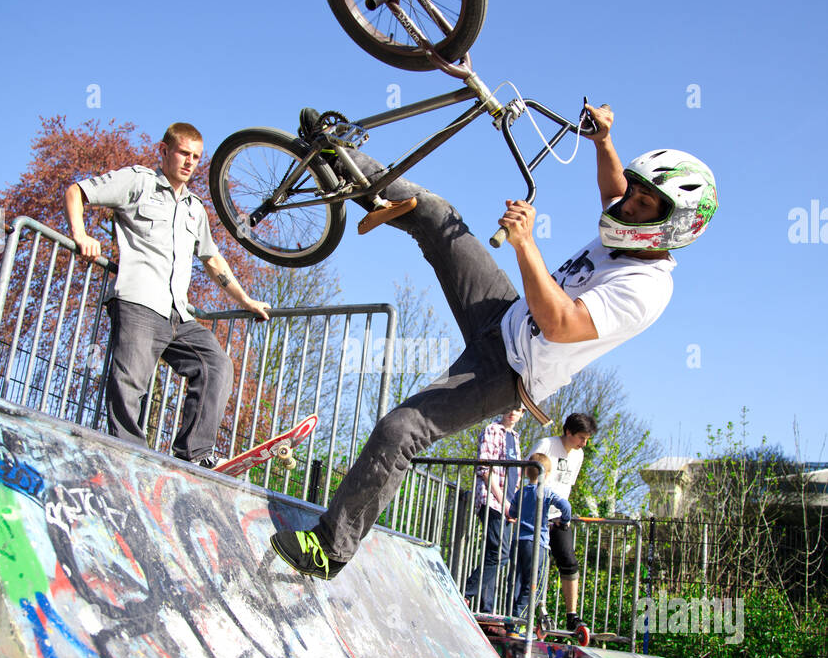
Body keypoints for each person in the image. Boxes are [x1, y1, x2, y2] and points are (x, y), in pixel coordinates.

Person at [271, 103, 717, 578]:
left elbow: (560, 325)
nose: (627, 206)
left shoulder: (645, 287)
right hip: (502, 312)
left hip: (510, 371)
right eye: (636, 194)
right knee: (439, 218)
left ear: (673, 226)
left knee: (400, 431)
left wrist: (526, 245)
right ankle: (337, 157)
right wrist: (603, 140)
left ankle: (329, 550)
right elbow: (615, 190)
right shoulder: (630, 224)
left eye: (643, 204)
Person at [64, 122, 271, 465]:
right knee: (131, 381)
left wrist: (245, 300)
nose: (189, 162)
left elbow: (212, 259)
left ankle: (195, 453)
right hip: (138, 303)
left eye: (196, 157)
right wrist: (81, 234)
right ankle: (130, 455)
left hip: (179, 313)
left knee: (216, 365)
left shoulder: (195, 208)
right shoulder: (138, 182)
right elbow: (77, 191)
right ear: (163, 151)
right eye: (183, 153)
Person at [535, 412, 597, 630]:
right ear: (568, 432)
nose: (584, 443)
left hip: (559, 516)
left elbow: (567, 486)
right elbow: (530, 474)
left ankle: (572, 616)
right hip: (537, 515)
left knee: (568, 561)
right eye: (581, 438)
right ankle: (530, 610)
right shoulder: (547, 445)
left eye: (587, 439)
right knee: (535, 564)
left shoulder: (578, 456)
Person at [463, 405, 524, 613]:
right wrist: (504, 502)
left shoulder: (515, 437)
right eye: (509, 408)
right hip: (493, 499)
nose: (512, 412)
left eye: (517, 410)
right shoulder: (492, 430)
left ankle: (485, 609)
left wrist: (514, 505)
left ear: (522, 414)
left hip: (508, 503)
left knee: (494, 553)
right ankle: (464, 591)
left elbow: (516, 475)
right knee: (500, 554)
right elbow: (485, 469)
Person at [507, 453, 572, 628]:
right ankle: (518, 621)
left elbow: (512, 513)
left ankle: (509, 621)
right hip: (538, 543)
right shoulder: (546, 492)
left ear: (527, 472)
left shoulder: (520, 493)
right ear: (547, 473)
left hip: (518, 541)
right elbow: (566, 506)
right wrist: (564, 521)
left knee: (516, 581)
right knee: (536, 585)